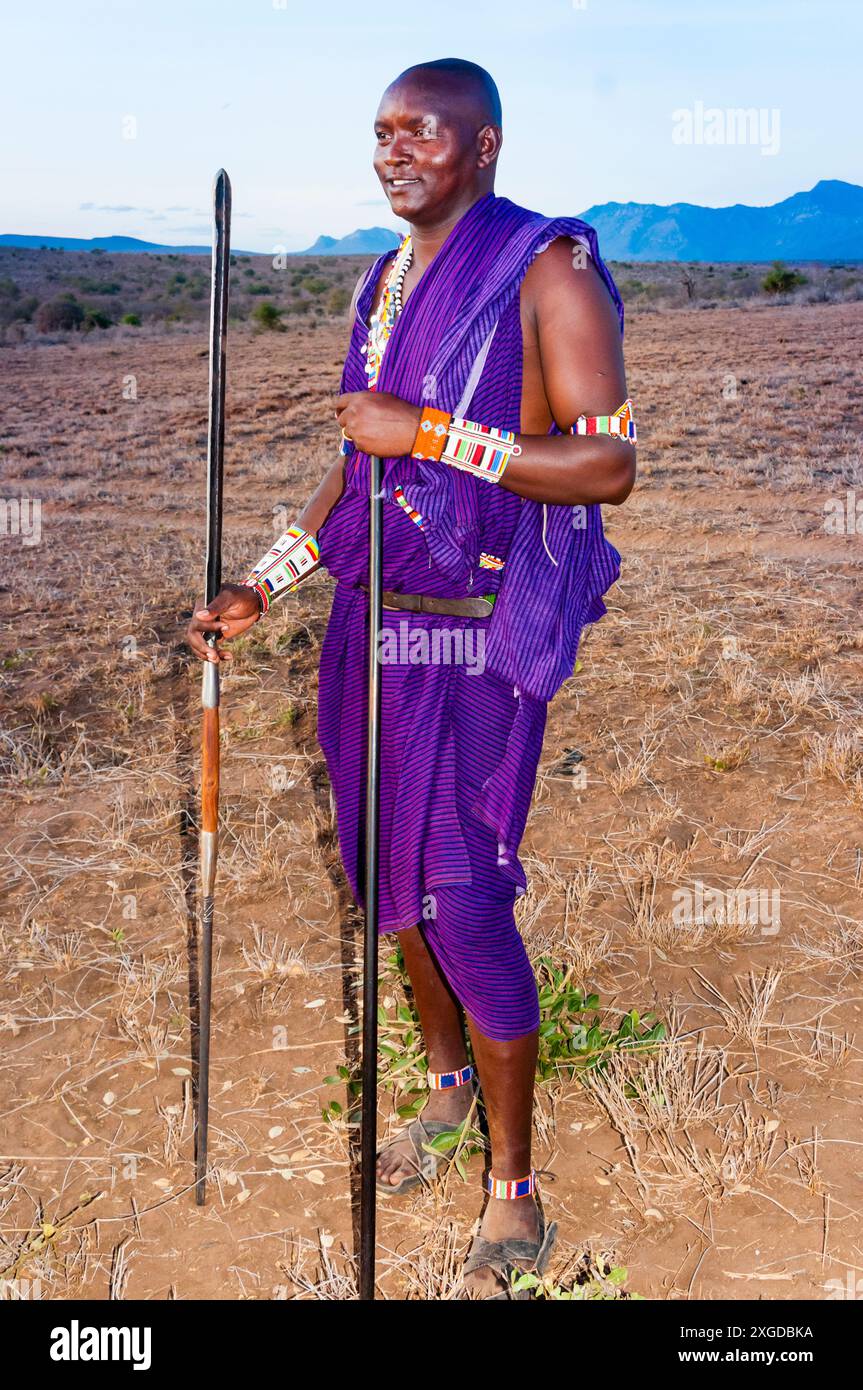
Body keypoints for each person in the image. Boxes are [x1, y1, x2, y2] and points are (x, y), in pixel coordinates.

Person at [186, 57, 635, 1299]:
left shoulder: (548, 269)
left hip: (475, 638)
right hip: (368, 626)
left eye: (419, 133)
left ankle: (514, 1187)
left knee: (463, 893)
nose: (391, 152)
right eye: (380, 132)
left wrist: (434, 433)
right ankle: (442, 1087)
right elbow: (353, 466)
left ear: (481, 147)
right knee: (387, 871)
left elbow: (608, 467)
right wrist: (265, 584)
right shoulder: (381, 285)